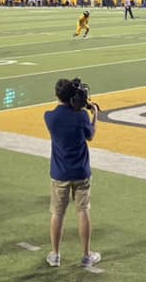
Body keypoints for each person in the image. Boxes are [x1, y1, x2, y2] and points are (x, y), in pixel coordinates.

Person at [43, 78, 101, 269]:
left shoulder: (49, 117)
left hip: (59, 173)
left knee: (57, 214)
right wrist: (95, 115)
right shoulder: (82, 116)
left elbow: (60, 112)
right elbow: (90, 135)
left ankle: (56, 255)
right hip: (81, 172)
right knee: (83, 211)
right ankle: (86, 256)